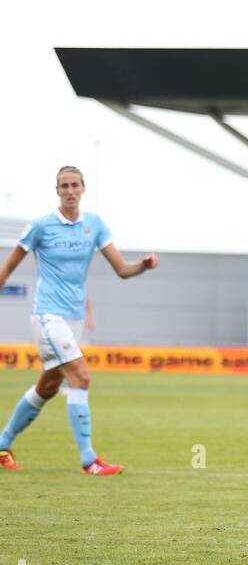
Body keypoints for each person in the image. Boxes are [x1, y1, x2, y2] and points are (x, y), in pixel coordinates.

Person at [0, 166, 158, 474]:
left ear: (83, 188)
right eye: (64, 186)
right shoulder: (41, 227)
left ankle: (2, 445)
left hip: (74, 319)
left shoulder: (94, 225)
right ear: (57, 191)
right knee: (81, 377)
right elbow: (8, 267)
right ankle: (89, 460)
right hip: (47, 316)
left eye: (74, 185)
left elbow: (123, 270)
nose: (70, 190)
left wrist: (144, 265)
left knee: (47, 387)